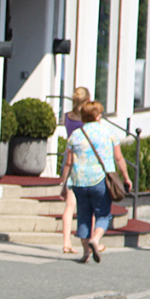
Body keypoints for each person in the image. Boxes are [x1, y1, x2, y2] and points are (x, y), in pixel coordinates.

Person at [58, 101, 132, 263]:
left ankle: (86, 253)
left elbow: (68, 163)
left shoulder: (75, 135)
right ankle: (96, 239)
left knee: (83, 216)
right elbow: (119, 158)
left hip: (79, 181)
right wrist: (126, 177)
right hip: (100, 180)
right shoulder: (108, 132)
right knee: (103, 214)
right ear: (98, 116)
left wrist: (64, 184)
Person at [60, 87, 91, 254]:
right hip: (84, 159)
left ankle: (66, 242)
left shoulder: (67, 116)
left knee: (69, 205)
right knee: (88, 204)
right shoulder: (87, 120)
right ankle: (90, 240)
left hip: (69, 156)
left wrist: (63, 180)